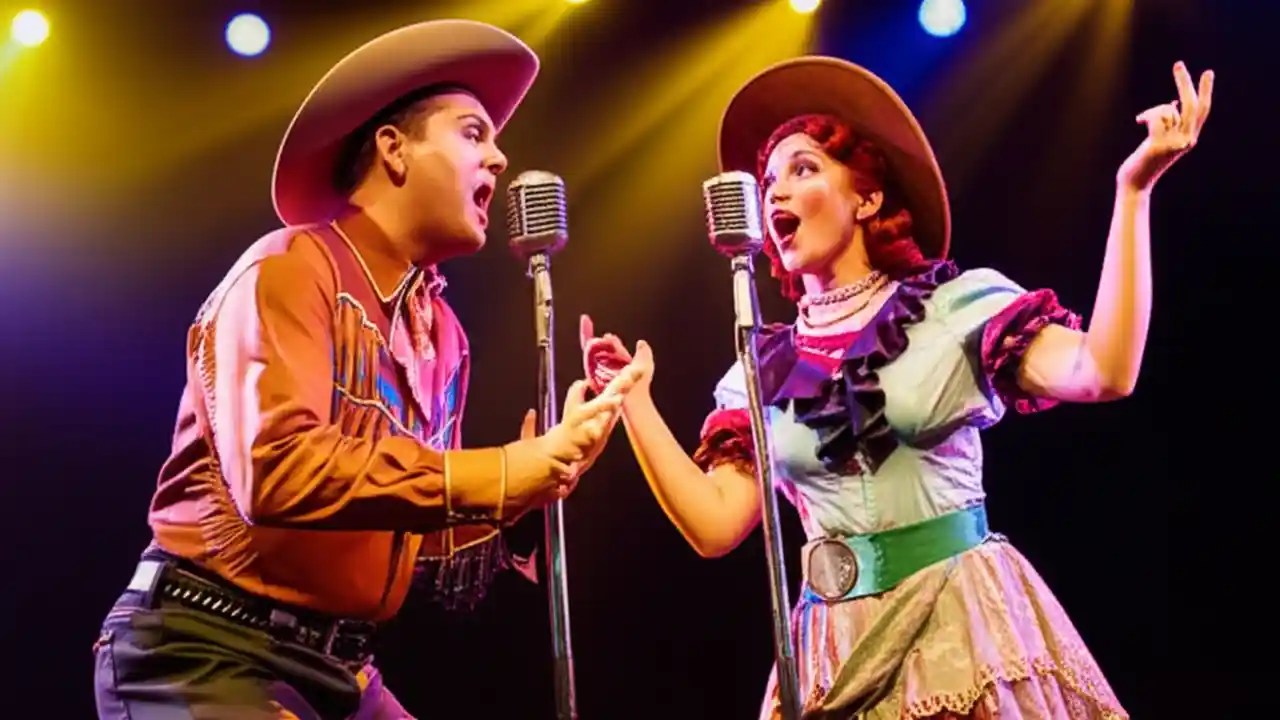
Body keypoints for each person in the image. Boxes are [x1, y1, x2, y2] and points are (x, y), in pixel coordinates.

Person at [581, 55, 1212, 719]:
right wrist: (635, 403)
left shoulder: (952, 308)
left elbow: (1104, 372)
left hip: (957, 625)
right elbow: (713, 528)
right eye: (768, 181)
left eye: (803, 169)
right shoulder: (760, 368)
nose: (775, 193)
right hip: (833, 649)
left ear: (867, 197)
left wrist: (1132, 191)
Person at [92, 19, 642, 719]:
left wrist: (531, 487)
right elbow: (279, 469)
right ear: (393, 150)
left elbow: (404, 526)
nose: (500, 160)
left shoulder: (443, 336)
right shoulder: (290, 266)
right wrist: (501, 470)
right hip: (207, 648)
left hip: (340, 669)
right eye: (474, 133)